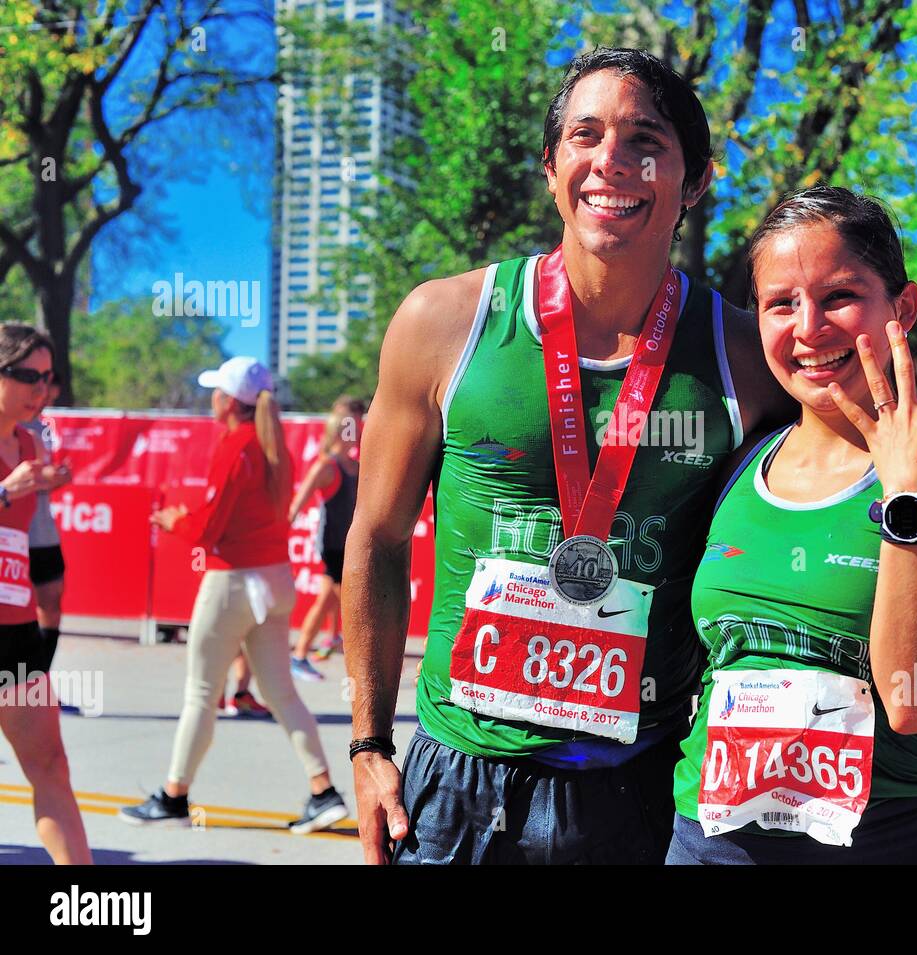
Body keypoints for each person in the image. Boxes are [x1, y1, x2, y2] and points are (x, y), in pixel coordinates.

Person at [345, 47, 805, 865]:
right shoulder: (444, 321)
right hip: (457, 779)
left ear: (695, 180)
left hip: (637, 785)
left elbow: (852, 507)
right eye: (585, 136)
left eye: (645, 142)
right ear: (550, 165)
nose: (610, 163)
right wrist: (368, 743)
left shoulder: (744, 353)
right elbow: (376, 538)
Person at [665, 186, 917, 864]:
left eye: (839, 296)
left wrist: (910, 503)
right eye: (781, 303)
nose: (808, 327)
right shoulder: (739, 456)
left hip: (887, 842)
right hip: (712, 842)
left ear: (902, 308)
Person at [119, 357, 348, 834]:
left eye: (214, 392)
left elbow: (208, 528)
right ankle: (324, 792)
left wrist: (173, 521)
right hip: (275, 578)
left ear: (227, 401)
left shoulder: (236, 444)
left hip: (234, 582)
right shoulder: (272, 444)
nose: (211, 399)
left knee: (201, 693)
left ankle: (174, 797)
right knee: (282, 693)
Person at [0, 325, 91, 864]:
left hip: (14, 631)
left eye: (48, 378)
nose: (42, 390)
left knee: (51, 766)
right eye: (28, 376)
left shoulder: (30, 443)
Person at [287, 395, 365, 680]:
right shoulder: (326, 467)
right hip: (332, 545)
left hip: (349, 544)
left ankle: (326, 642)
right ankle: (299, 655)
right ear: (341, 430)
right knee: (329, 600)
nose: (358, 432)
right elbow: (296, 506)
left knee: (334, 600)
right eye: (353, 427)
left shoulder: (356, 467)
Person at [20, 377, 73, 676]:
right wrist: (41, 478)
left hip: (42, 532)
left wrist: (55, 479)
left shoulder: (43, 426)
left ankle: (36, 682)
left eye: (50, 382)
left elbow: (39, 481)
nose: (45, 392)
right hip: (12, 534)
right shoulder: (8, 425)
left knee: (51, 602)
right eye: (36, 381)